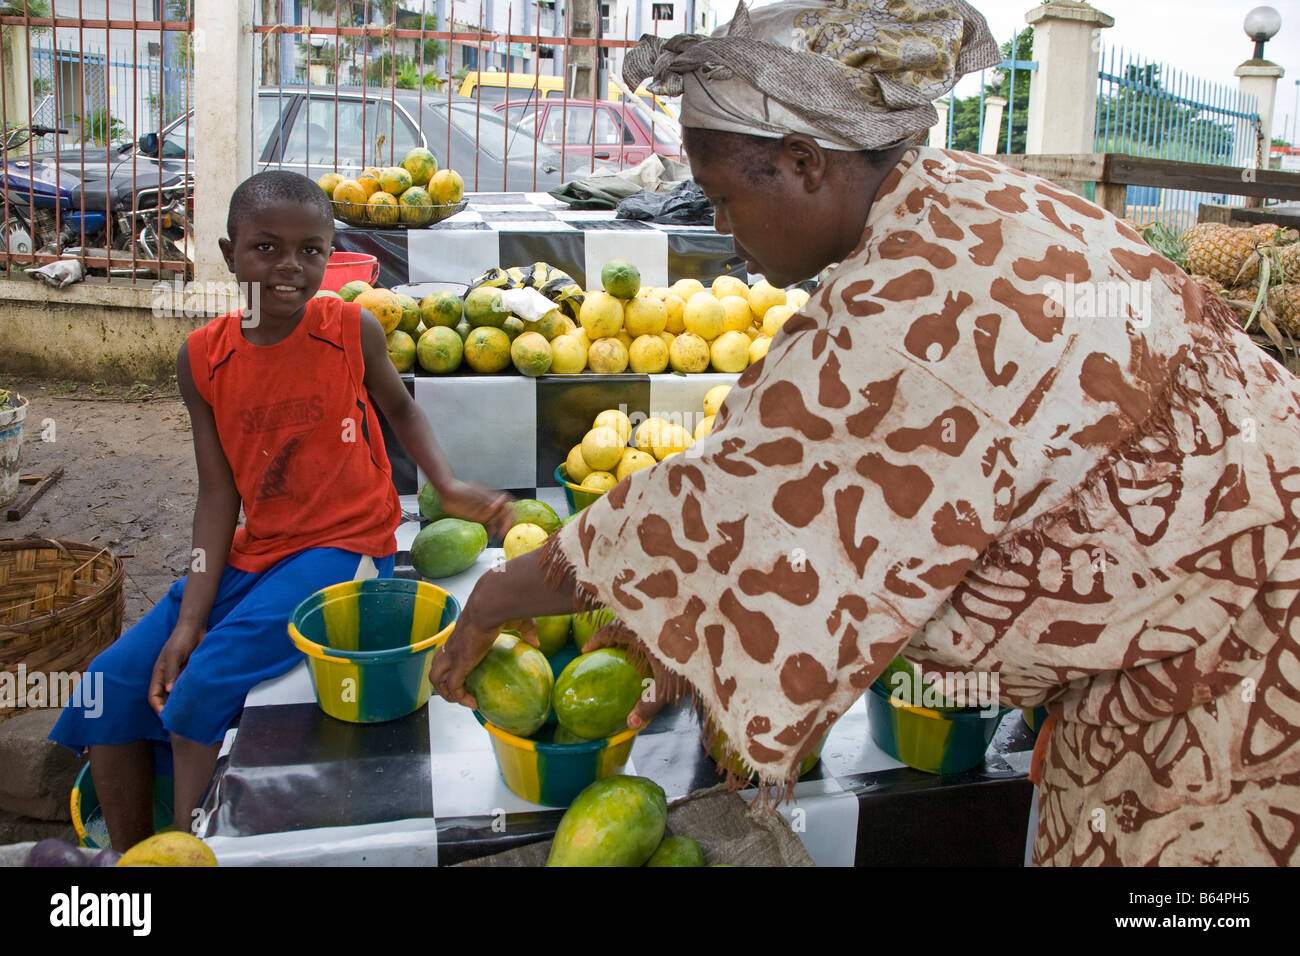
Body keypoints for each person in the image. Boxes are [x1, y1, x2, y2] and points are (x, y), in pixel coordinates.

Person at [433, 0, 1300, 866]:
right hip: (1221, 610)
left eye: (727, 197)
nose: (720, 228)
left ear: (806, 163)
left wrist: (500, 595)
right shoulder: (962, 199)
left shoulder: (899, 307)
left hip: (1233, 675)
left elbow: (724, 508)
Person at [51, 170, 515, 850]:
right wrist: (189, 617)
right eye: (266, 248)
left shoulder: (352, 330)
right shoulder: (202, 359)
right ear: (226, 252)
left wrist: (447, 483)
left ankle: (183, 849)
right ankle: (128, 853)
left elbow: (402, 409)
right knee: (109, 682)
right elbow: (218, 495)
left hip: (347, 546)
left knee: (203, 682)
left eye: (311, 250)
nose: (290, 267)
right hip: (256, 548)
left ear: (331, 254)